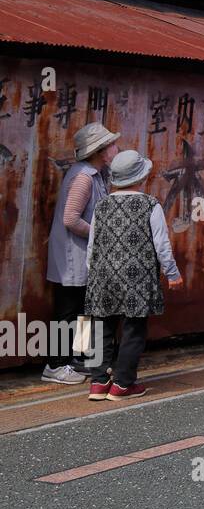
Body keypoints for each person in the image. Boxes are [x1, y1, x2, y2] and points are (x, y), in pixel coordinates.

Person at [84, 150, 183, 401]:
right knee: (133, 329)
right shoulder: (150, 204)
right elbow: (161, 244)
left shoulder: (102, 204)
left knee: (100, 327)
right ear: (141, 177)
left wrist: (92, 273)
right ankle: (123, 384)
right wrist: (172, 273)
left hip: (102, 276)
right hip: (136, 278)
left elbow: (92, 244)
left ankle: (98, 383)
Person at [43, 122, 119, 384]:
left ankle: (78, 357)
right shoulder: (84, 177)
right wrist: (102, 234)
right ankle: (55, 365)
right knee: (68, 309)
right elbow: (71, 219)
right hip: (72, 255)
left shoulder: (94, 174)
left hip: (84, 255)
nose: (114, 148)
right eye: (110, 145)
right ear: (99, 151)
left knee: (85, 307)